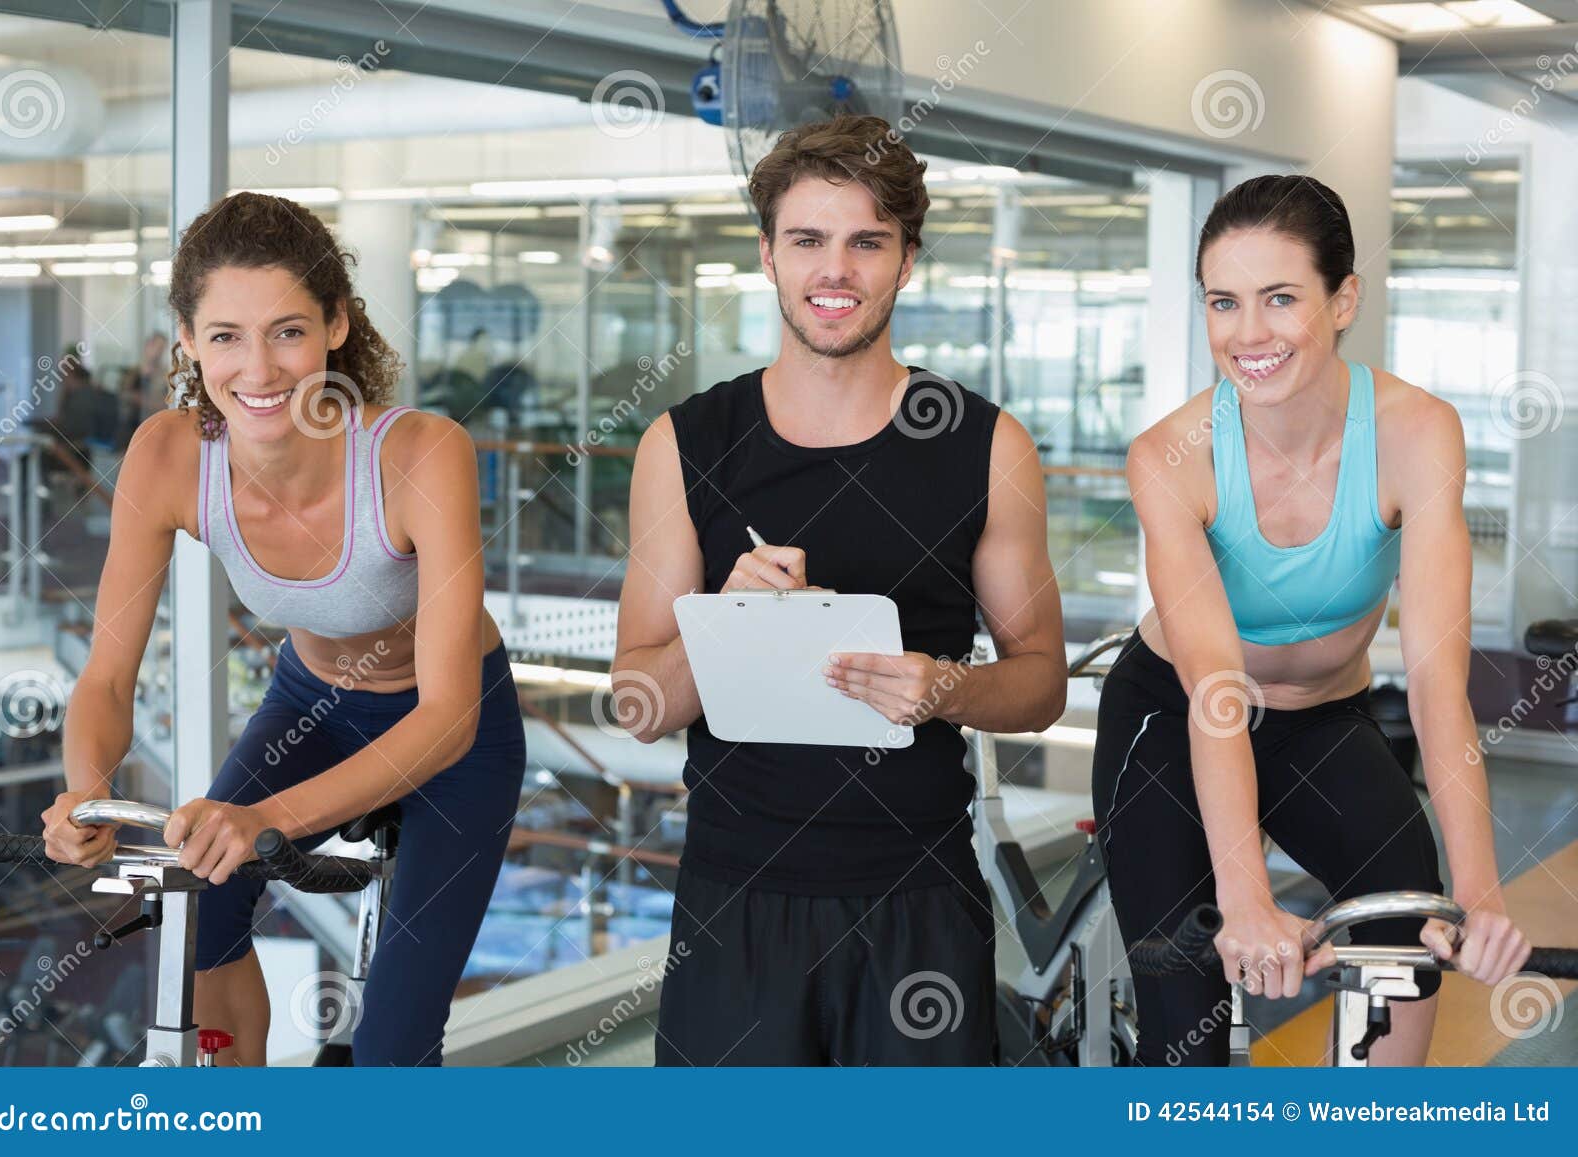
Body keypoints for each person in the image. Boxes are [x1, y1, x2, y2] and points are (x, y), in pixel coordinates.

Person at [614, 115, 1068, 1065]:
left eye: (868, 242)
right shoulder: (684, 445)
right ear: (769, 257)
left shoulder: (985, 445)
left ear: (906, 262)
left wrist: (945, 687)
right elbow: (636, 703)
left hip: (918, 900)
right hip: (734, 900)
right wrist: (722, 628)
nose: (836, 270)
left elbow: (1041, 685)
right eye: (809, 241)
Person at [39, 191, 527, 1067]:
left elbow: (449, 715)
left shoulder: (421, 454)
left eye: (288, 331)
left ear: (337, 325)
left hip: (457, 729)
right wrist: (85, 789)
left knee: (393, 1043)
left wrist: (261, 818)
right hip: (314, 705)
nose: (258, 370)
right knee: (201, 911)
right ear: (186, 339)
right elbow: (109, 677)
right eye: (225, 335)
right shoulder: (166, 456)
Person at [1094, 174, 1530, 1066]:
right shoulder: (1170, 459)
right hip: (1176, 717)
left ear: (1343, 301)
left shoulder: (1416, 433)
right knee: (1188, 1012)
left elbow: (1440, 684)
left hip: (1325, 719)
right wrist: (1247, 896)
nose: (1247, 334)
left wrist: (1480, 894)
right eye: (1224, 302)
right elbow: (1216, 688)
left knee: (1413, 922)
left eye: (1279, 298)